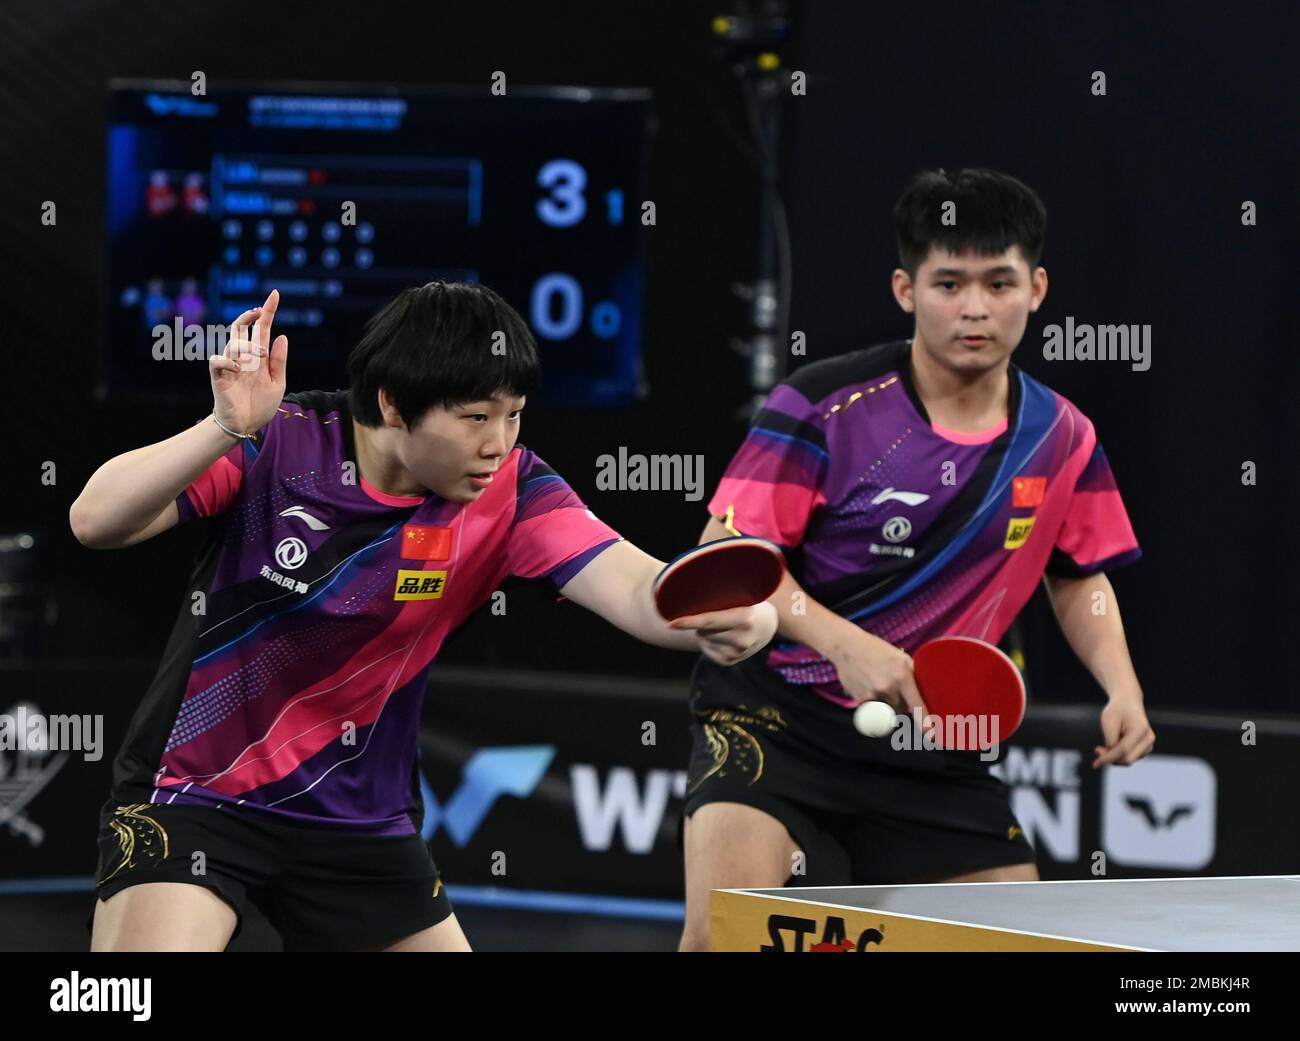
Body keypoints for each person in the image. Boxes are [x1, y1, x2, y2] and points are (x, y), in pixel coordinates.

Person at [70, 281, 776, 952]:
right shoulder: (279, 439)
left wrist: (726, 614)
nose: (497, 442)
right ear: (396, 404)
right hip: (200, 792)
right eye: (475, 417)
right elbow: (95, 520)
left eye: (514, 413)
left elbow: (641, 592)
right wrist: (223, 426)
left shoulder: (515, 492)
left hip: (359, 822)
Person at [678, 168, 1155, 952]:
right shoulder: (819, 405)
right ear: (905, 289)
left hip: (935, 743)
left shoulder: (1063, 436)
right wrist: (844, 644)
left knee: (1018, 946)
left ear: (1036, 288)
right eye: (949, 283)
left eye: (999, 282)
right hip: (775, 722)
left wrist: (1123, 687)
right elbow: (729, 559)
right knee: (724, 936)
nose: (974, 308)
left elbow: (1077, 575)